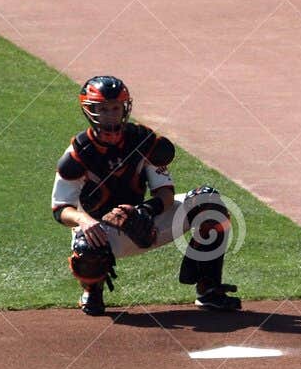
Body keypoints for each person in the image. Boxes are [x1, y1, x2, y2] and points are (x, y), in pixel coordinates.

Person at [54, 76, 241, 317]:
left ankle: (209, 289)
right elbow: (61, 208)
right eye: (103, 109)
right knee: (86, 246)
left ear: (125, 108)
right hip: (102, 232)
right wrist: (84, 220)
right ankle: (92, 291)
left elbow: (165, 193)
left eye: (115, 108)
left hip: (145, 221)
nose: (110, 115)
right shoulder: (78, 154)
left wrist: (145, 210)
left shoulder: (144, 141)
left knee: (209, 204)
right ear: (90, 111)